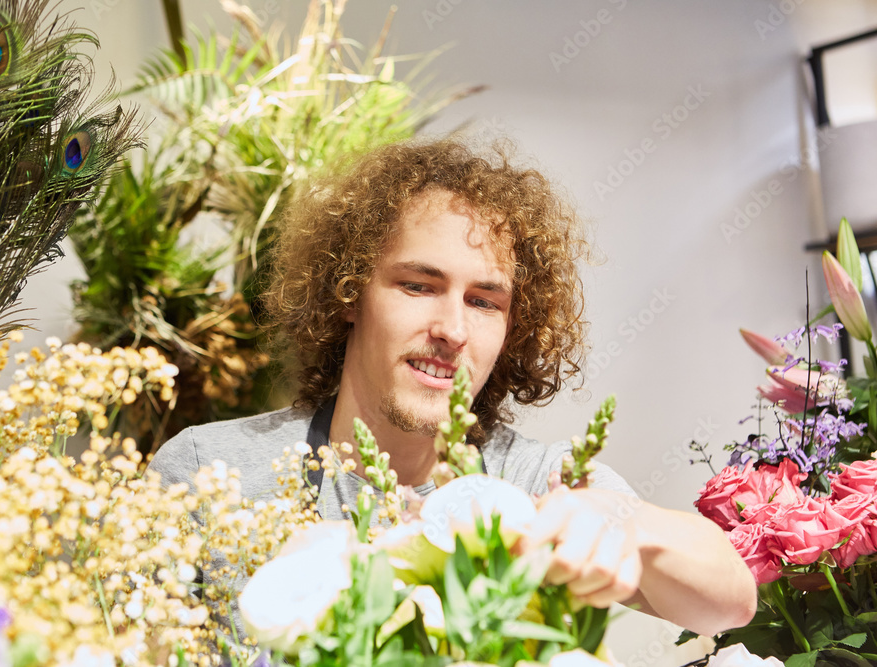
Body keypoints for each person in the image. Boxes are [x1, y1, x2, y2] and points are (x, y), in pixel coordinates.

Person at [148, 137, 757, 637]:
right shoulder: (209, 471)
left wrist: (623, 521)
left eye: (485, 301)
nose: (452, 330)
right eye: (418, 286)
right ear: (349, 293)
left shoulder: (535, 485)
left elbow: (729, 602)